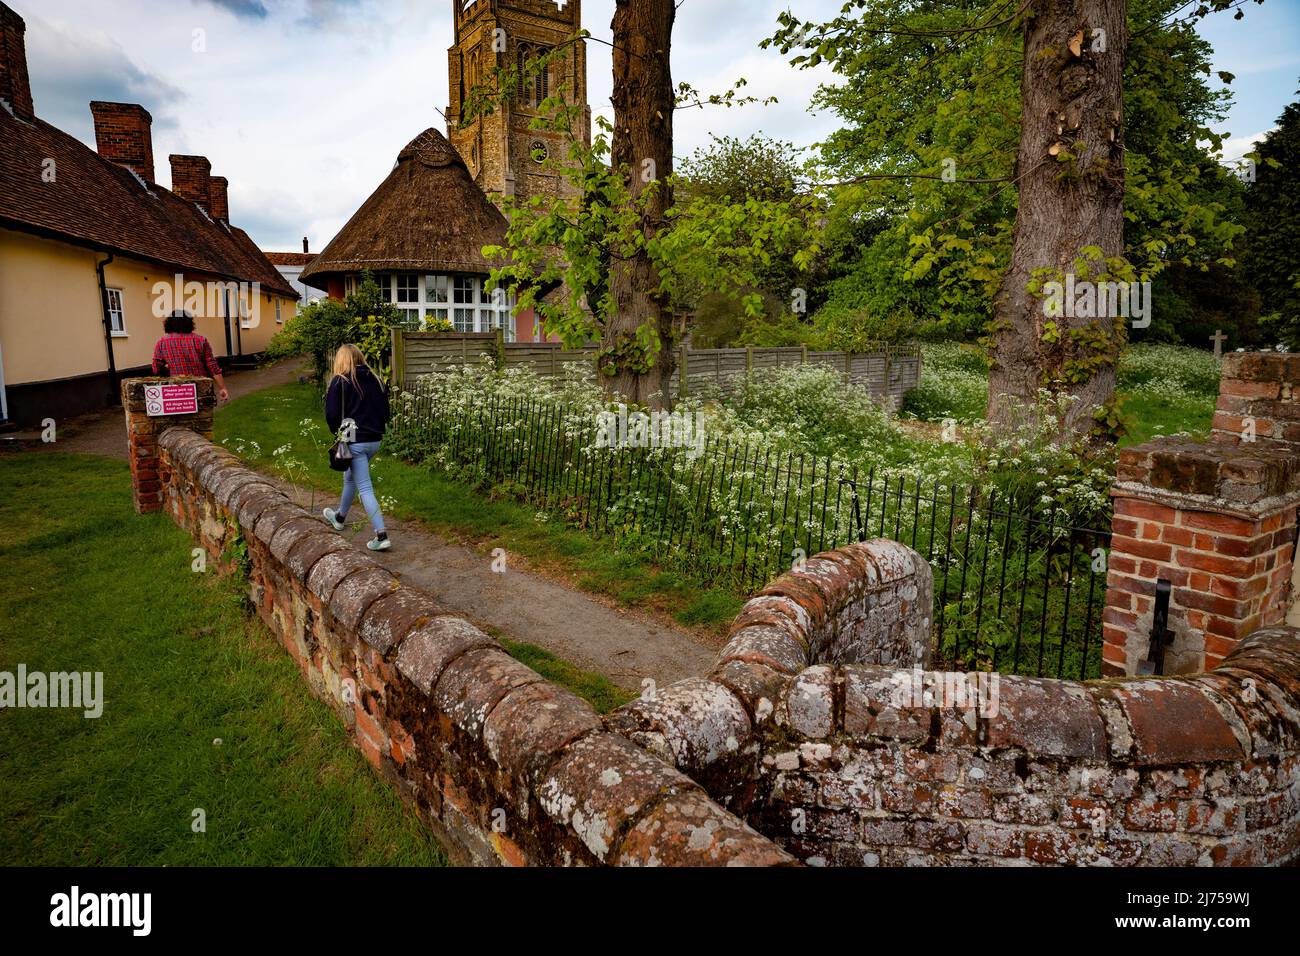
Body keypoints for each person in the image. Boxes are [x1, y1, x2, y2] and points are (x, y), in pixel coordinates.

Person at [322, 344, 391, 551]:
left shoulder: (340, 381)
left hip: (355, 441)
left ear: (341, 360)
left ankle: (381, 535)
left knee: (365, 487)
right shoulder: (377, 380)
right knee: (350, 477)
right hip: (375, 440)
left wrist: (339, 433)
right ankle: (339, 517)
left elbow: (332, 414)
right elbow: (386, 411)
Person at [151, 310, 229, 402]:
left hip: (176, 390)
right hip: (201, 389)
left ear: (169, 323)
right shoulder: (201, 340)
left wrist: (168, 369)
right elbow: (213, 366)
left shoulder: (161, 343)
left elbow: (156, 369)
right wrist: (222, 388)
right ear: (189, 322)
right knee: (203, 415)